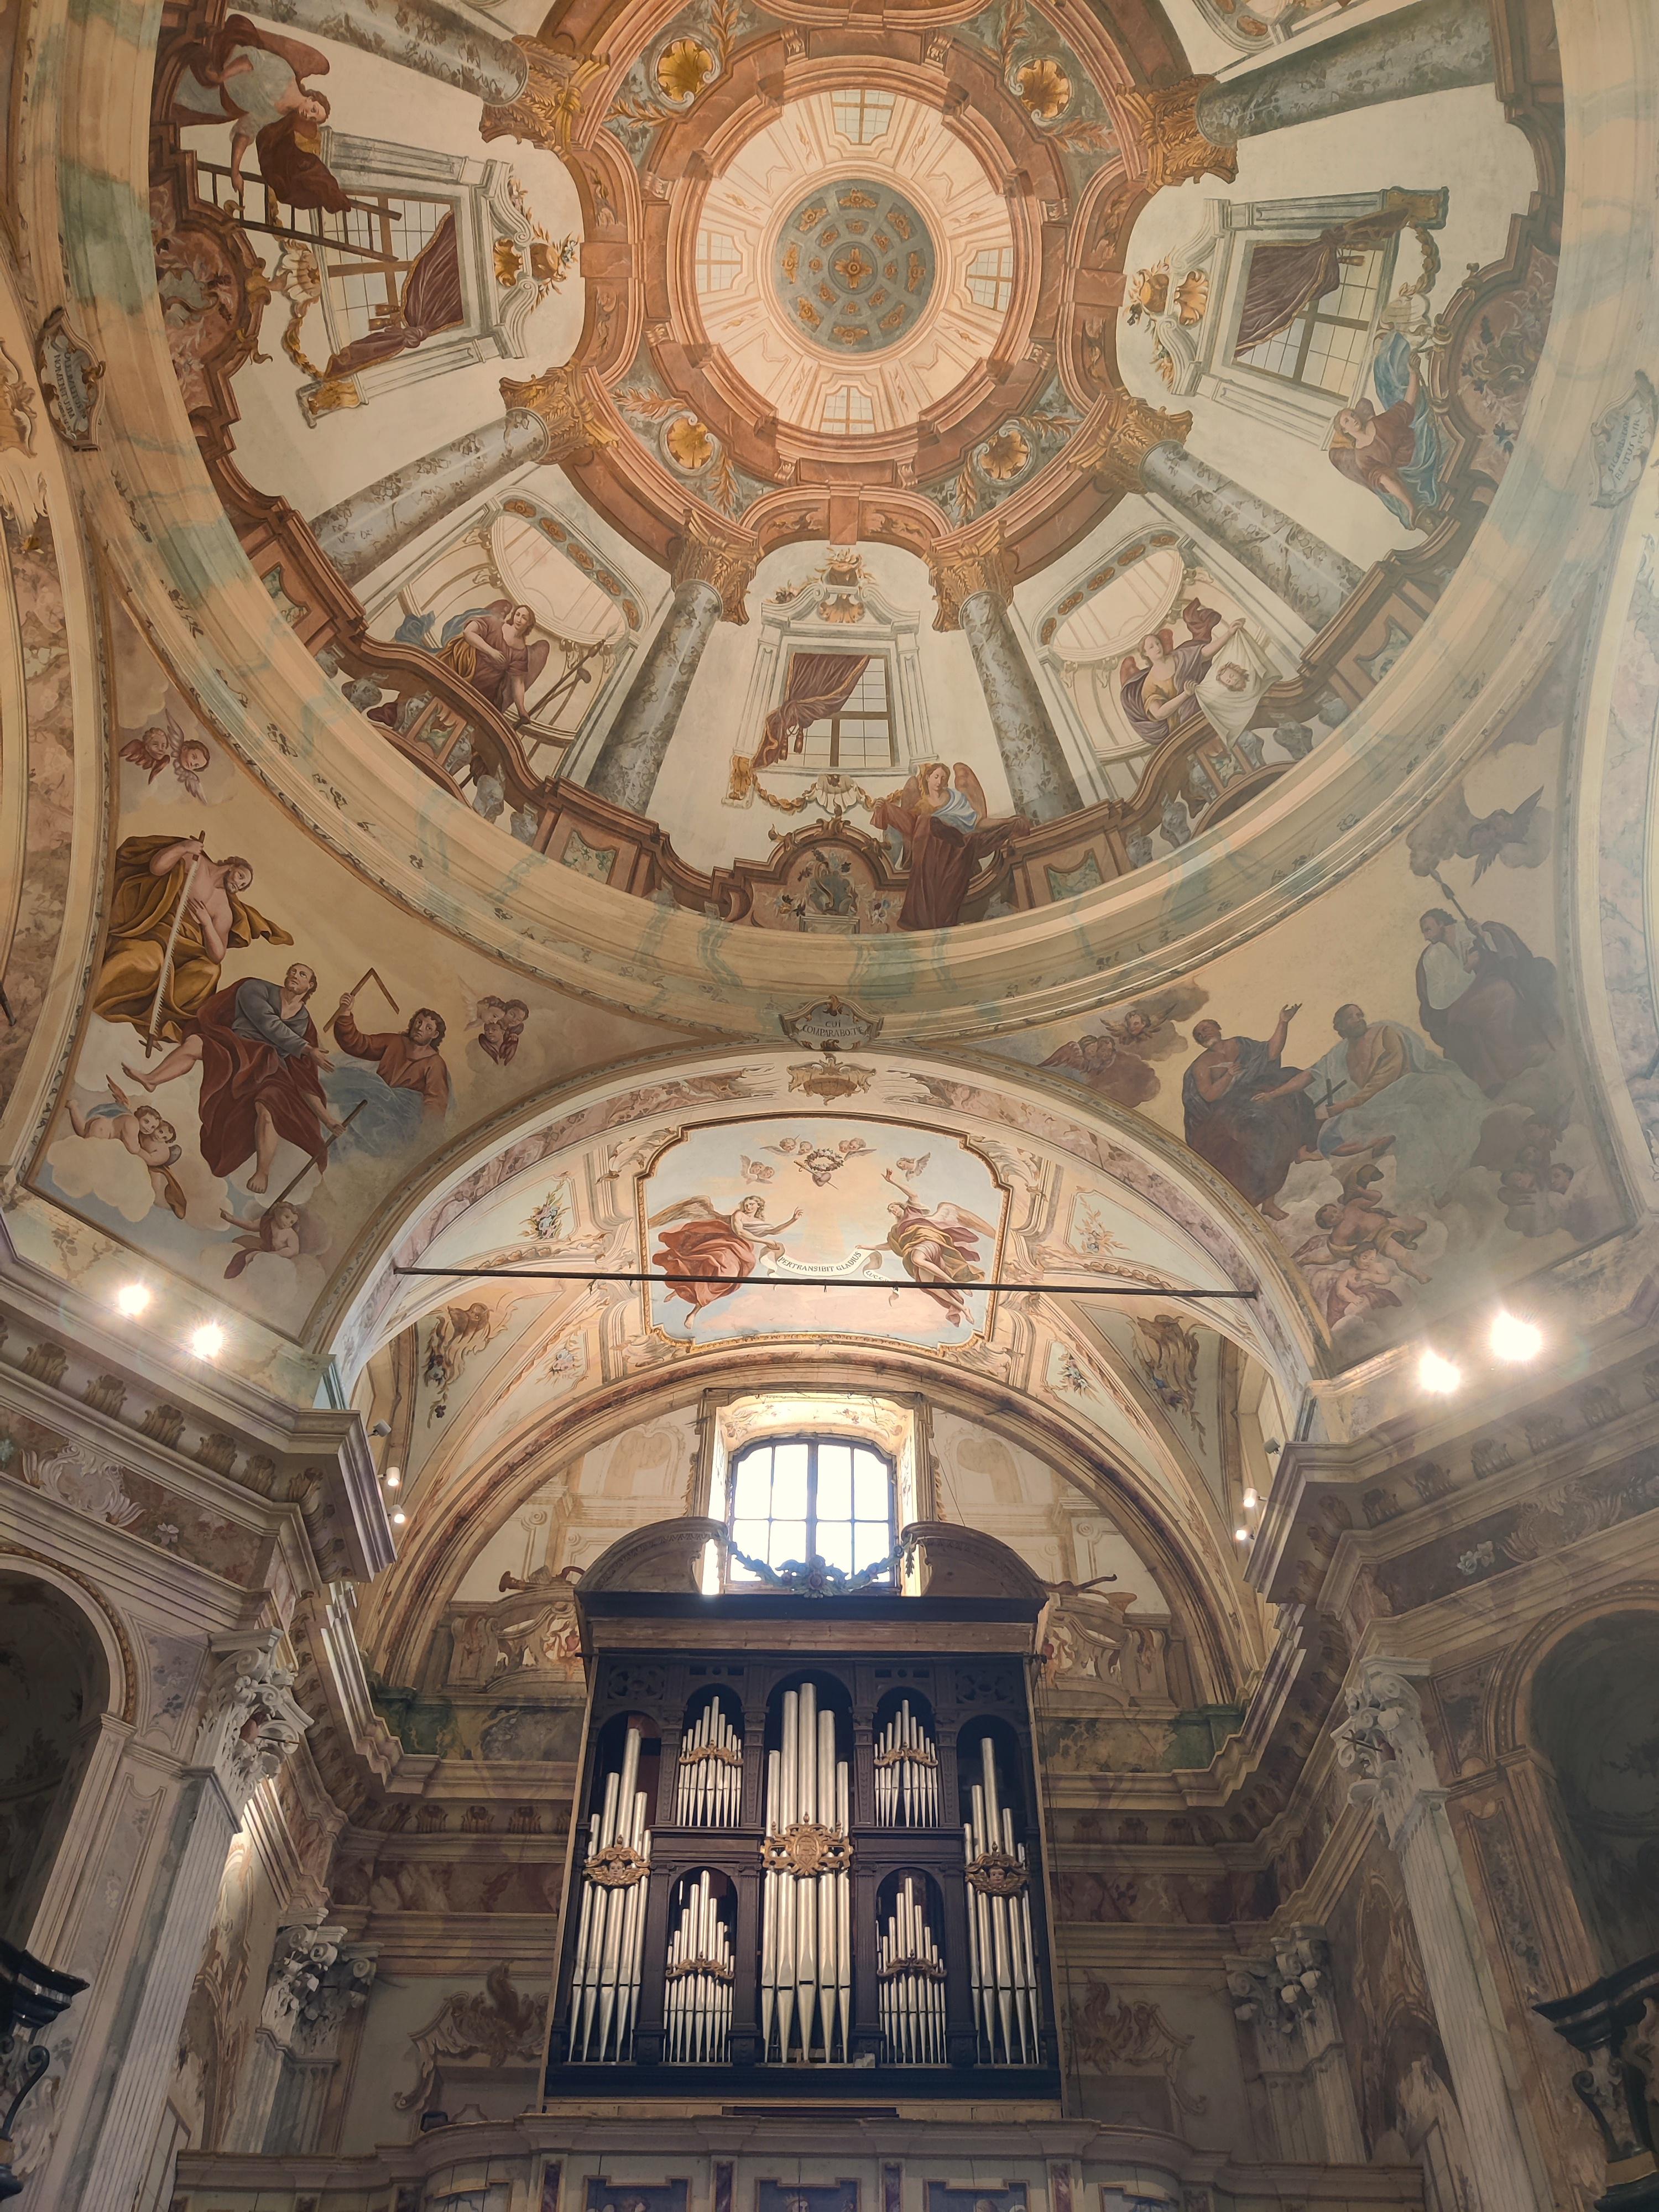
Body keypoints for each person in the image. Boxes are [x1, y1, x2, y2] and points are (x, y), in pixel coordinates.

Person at [123, 961, 342, 1192]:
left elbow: (305, 1076)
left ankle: (262, 1172)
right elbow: (267, 1023)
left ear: (311, 985)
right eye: (293, 971)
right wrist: (307, 1049)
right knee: (196, 1042)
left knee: (269, 1110)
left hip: (269, 1068)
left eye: (302, 974)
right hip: (236, 1047)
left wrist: (327, 1119)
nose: (295, 975)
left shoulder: (305, 1024)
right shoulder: (255, 989)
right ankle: (152, 1079)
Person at [94, 834, 291, 1042]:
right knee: (147, 962)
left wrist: (206, 923)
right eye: (242, 876)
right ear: (232, 865)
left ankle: (157, 1020)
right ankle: (95, 996)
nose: (240, 886)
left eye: (244, 887)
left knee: (210, 971)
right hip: (159, 931)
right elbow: (157, 868)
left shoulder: (224, 908)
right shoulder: (197, 863)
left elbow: (217, 955)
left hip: (188, 951)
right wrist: (182, 847)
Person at [1305, 1002, 1489, 1204]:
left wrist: (1348, 1104)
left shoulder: (1384, 1034)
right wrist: (1277, 1093)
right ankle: (1424, 1187)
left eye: (1359, 1014)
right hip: (1376, 1104)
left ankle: (1439, 1180)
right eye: (1351, 1017)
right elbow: (1313, 1076)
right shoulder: (1341, 1055)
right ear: (1340, 1026)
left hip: (1405, 1088)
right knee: (1403, 1118)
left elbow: (1387, 1075)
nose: (1359, 1019)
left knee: (1436, 1095)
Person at [166, 12, 349, 211]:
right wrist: (222, 76)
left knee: (168, 91)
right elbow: (251, 59)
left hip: (215, 101)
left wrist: (235, 171)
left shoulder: (276, 115)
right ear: (312, 98)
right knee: (171, 64)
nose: (310, 115)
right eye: (314, 109)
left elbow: (246, 132)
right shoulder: (285, 74)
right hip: (219, 69)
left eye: (314, 118)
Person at [1181, 1006, 1318, 1220]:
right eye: (1199, 1034)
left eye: (1206, 1028)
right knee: (1264, 1131)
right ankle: (1268, 1200)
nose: (1204, 1033)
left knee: (1291, 1085)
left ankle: (1302, 1148)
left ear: (1218, 1028)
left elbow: (1271, 1052)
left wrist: (1283, 1022)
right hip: (1226, 1111)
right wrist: (1228, 1076)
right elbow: (1208, 1096)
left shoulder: (1240, 1044)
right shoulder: (1202, 1065)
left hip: (1252, 1095)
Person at [1415, 908, 1559, 1095]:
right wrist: (1466, 969)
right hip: (1454, 1007)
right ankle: (1511, 1063)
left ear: (1442, 924)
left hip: (1481, 989)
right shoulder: (1432, 957)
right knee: (1500, 995)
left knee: (1503, 990)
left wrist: (1482, 934)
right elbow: (1438, 998)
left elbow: (1494, 951)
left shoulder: (1467, 931)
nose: (1426, 937)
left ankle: (1520, 1054)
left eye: (1428, 930)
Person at [871, 761, 1025, 931]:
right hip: (931, 856)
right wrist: (885, 808)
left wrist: (1007, 820)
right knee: (924, 822)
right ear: (928, 778)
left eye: (943, 778)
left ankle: (947, 833)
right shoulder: (921, 805)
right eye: (936, 777)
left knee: (941, 828)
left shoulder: (957, 799)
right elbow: (908, 824)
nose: (939, 781)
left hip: (956, 849)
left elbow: (979, 823)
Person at [1329, 330, 1444, 529]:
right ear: (1345, 430)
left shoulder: (1380, 422)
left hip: (1421, 448)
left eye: (1352, 414)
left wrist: (1413, 373)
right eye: (1347, 421)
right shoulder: (1361, 457)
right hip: (1409, 472)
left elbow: (1408, 405)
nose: (1353, 419)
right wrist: (1410, 507)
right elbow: (1386, 480)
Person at [328, 992, 451, 1147]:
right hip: (375, 1104)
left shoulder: (435, 1063)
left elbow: (436, 1101)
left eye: (428, 1027)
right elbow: (360, 1044)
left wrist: (428, 1135)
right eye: (419, 1022)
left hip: (402, 1118)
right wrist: (346, 1013)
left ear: (435, 1034)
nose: (420, 1028)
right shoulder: (395, 1042)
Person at [649, 1194, 802, 1317]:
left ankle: (695, 1309)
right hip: (726, 1243)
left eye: (752, 1204)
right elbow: (739, 1232)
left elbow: (774, 1231)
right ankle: (681, 1291)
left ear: (758, 1206)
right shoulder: (739, 1215)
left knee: (726, 1279)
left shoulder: (758, 1223)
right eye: (747, 1204)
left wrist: (793, 1220)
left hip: (740, 1251)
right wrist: (765, 1241)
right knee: (708, 1266)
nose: (748, 1206)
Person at [1119, 607, 1242, 742]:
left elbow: (1205, 653)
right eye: (1151, 647)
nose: (1157, 647)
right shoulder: (1150, 684)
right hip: (1186, 724)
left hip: (1206, 704)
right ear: (1145, 654)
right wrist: (1186, 695)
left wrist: (1229, 634)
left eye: (1157, 643)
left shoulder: (1179, 656)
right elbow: (1159, 714)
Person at [65, 1081, 186, 1217]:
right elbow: (133, 1149)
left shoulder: (133, 1122)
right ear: (139, 1117)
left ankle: (73, 1107)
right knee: (98, 1162)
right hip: (102, 1133)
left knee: (83, 1133)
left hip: (100, 1126)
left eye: (153, 1128)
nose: (148, 1128)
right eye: (146, 1122)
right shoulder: (133, 1123)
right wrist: (148, 1157)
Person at [440, 602, 550, 721]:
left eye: (524, 618)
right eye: (518, 615)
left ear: (529, 623)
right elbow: (468, 632)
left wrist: (521, 710)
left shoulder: (521, 652)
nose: (519, 619)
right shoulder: (495, 624)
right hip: (468, 670)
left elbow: (518, 682)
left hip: (488, 688)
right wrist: (491, 651)